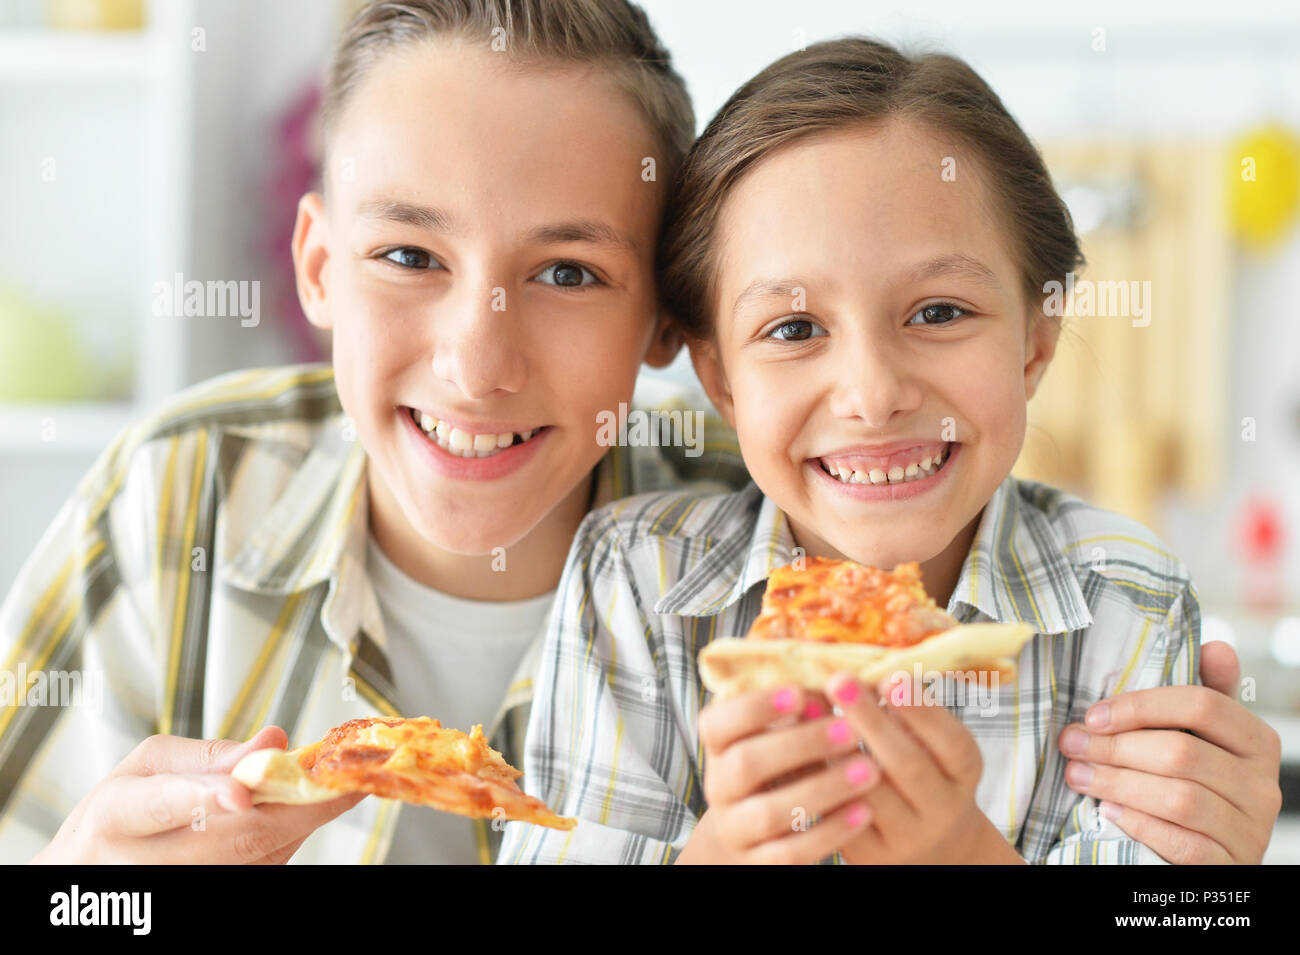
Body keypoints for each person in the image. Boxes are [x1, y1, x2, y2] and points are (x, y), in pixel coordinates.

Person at [499, 35, 1284, 865]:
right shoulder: (637, 582)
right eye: (795, 328)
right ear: (721, 380)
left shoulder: (1129, 604)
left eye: (939, 312)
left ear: (1033, 343)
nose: (873, 395)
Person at [1, 0, 741, 865]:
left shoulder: (775, 544)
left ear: (663, 314)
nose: (477, 366)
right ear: (318, 267)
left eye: (567, 272)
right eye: (410, 256)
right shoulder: (177, 495)